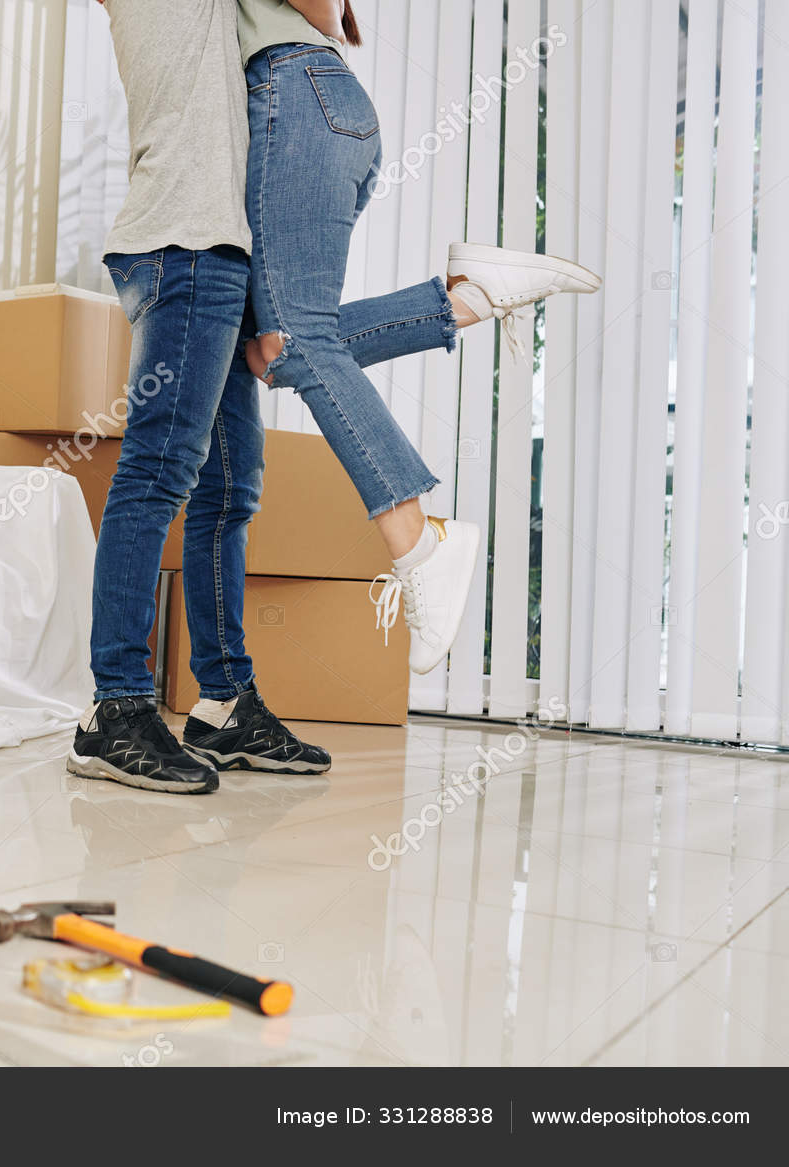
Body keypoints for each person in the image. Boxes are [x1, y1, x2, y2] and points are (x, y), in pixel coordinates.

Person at [68, 0, 599, 795]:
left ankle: (221, 700)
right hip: (184, 238)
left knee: (236, 462)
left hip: (223, 238)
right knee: (161, 469)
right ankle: (115, 706)